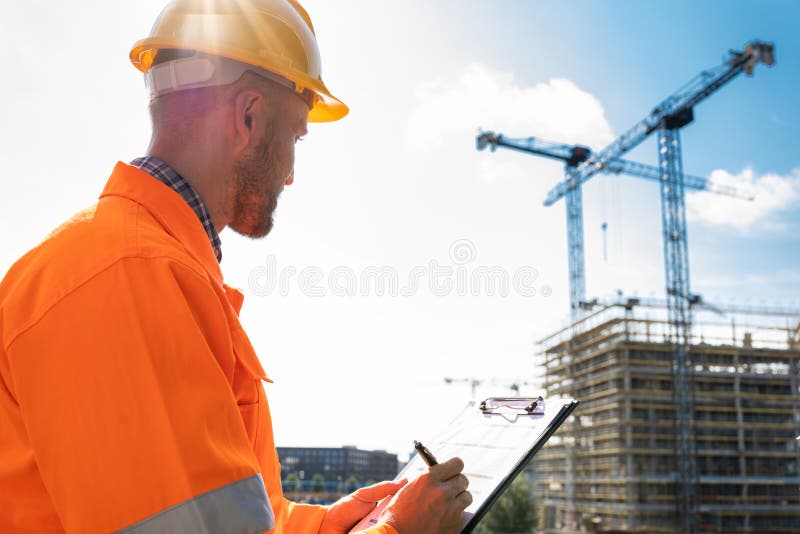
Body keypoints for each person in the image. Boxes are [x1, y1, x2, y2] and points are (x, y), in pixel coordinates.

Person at [0, 1, 471, 532]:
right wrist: (400, 530)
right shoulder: (131, 278)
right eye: (295, 136)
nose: (290, 175)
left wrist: (323, 526)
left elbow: (222, 518)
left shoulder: (136, 264)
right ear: (248, 117)